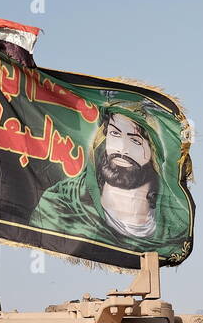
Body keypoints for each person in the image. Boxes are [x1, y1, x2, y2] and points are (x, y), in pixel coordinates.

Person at [31, 105, 161, 245]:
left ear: (153, 153)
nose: (122, 148)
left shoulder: (170, 222)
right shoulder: (60, 201)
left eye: (135, 140)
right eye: (115, 134)